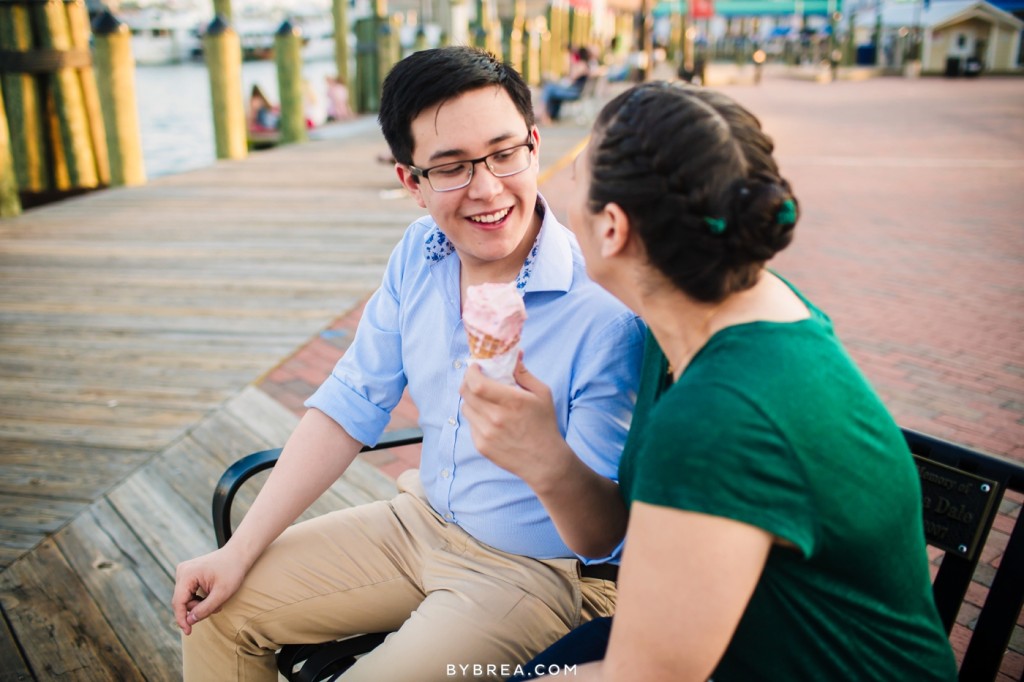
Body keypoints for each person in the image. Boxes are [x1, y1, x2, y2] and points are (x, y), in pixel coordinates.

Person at [171, 46, 644, 681]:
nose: (487, 188)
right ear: (410, 182)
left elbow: (603, 535)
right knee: (217, 614)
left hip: (535, 570)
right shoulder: (420, 253)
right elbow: (349, 403)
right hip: (418, 519)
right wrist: (238, 551)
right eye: (450, 168)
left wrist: (540, 453)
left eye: (505, 154)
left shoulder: (604, 311)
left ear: (534, 143)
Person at [460, 82, 959, 681]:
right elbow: (622, 535)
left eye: (576, 180)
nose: (562, 197)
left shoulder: (719, 415)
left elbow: (645, 678)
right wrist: (543, 457)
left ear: (612, 228)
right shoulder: (716, 316)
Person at [539, 47, 593, 124]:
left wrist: (572, 65)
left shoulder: (581, 65)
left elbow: (570, 80)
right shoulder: (585, 65)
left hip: (574, 92)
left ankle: (544, 115)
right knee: (550, 89)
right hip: (575, 90)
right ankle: (551, 115)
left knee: (549, 88)